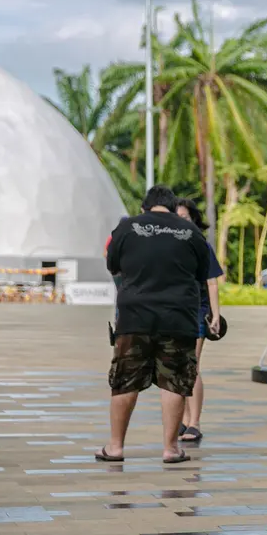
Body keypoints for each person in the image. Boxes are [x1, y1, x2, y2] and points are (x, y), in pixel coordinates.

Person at [97, 185, 214, 465]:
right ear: (174, 208)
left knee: (125, 382)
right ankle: (170, 449)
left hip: (134, 317)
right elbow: (202, 272)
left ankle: (115, 447)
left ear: (144, 207)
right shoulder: (191, 232)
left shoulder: (127, 228)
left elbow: (113, 265)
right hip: (178, 318)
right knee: (173, 383)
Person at [175, 198, 223, 443]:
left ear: (194, 220)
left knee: (190, 365)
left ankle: (195, 422)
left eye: (184, 217)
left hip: (196, 310)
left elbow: (212, 281)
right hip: (174, 311)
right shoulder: (169, 246)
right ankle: (183, 420)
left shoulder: (201, 246)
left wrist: (215, 314)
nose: (180, 222)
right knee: (178, 366)